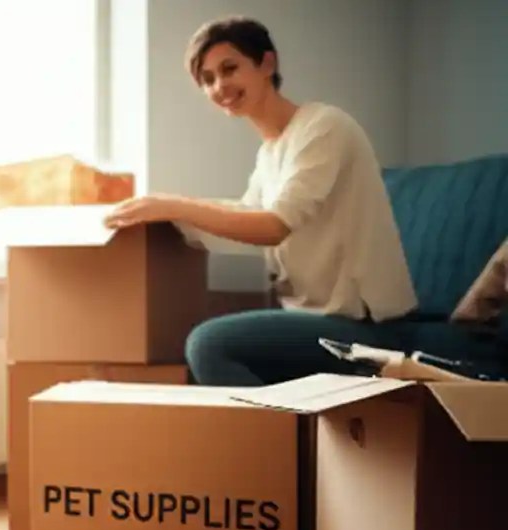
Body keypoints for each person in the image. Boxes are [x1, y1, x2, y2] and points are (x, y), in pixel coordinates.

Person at [103, 16, 419, 387]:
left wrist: (174, 206)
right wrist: (161, 215)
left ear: (267, 64)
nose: (220, 86)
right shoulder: (270, 153)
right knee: (190, 336)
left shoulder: (324, 127)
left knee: (208, 344)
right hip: (314, 318)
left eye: (229, 68)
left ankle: (276, 444)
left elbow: (272, 226)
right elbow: (246, 215)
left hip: (366, 326)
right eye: (207, 79)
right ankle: (285, 436)